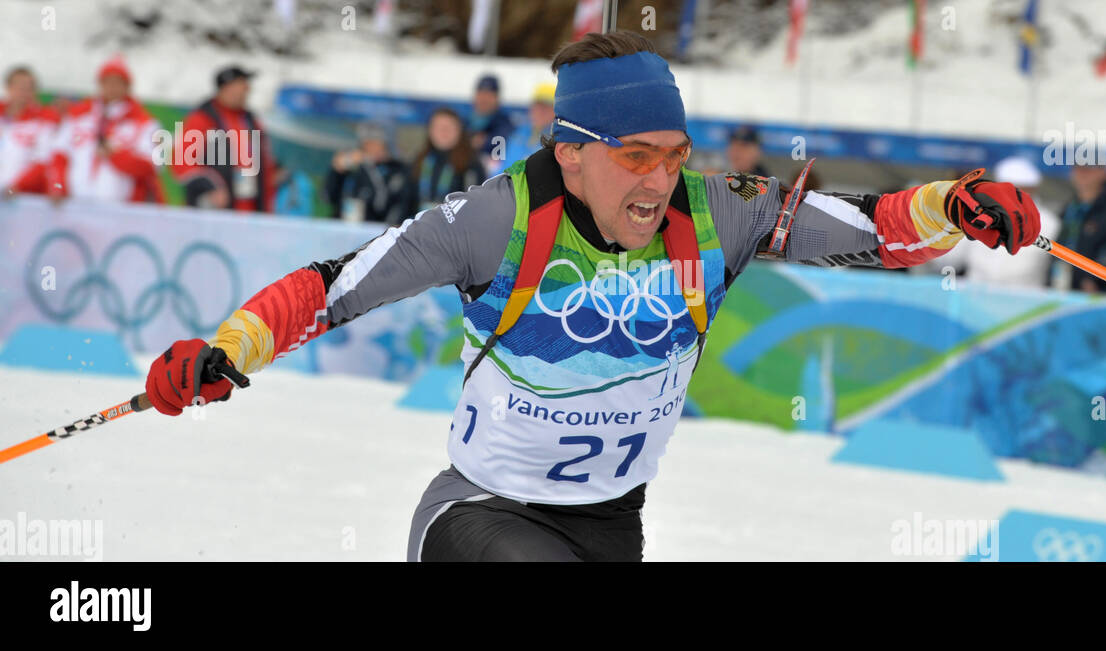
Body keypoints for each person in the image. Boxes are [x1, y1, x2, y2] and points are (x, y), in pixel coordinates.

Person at [142, 32, 1041, 562]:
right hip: (479, 519)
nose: (659, 180)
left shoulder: (716, 213)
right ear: (571, 151)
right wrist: (229, 349)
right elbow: (334, 286)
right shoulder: (492, 224)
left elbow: (876, 227)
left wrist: (958, 205)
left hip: (612, 529)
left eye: (675, 151)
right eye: (634, 155)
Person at [47, 58, 162, 203]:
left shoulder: (144, 123)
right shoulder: (78, 116)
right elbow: (59, 155)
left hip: (121, 212)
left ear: (127, 86)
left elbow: (151, 167)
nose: (112, 88)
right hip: (76, 206)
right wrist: (58, 187)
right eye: (107, 82)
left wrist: (115, 155)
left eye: (117, 82)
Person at [173, 66, 278, 212]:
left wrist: (268, 208)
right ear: (227, 88)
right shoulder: (202, 119)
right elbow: (181, 162)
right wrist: (210, 186)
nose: (247, 90)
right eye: (242, 84)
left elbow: (266, 167)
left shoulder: (251, 121)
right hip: (214, 210)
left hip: (250, 210)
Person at [946, 157, 1060, 288]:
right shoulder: (978, 213)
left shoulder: (1050, 223)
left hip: (1024, 303)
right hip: (975, 299)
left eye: (1022, 189)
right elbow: (950, 258)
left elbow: (1058, 274)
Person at [1049, 164, 1106, 293]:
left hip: (1096, 298)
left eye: (1089, 169)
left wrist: (1096, 280)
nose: (1082, 174)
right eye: (1078, 168)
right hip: (1061, 289)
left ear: (1104, 173)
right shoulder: (1069, 210)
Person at [324, 120, 416, 224]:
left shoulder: (399, 171)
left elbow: (393, 205)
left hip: (378, 230)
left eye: (377, 143)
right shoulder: (354, 166)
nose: (372, 148)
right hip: (346, 227)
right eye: (367, 144)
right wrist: (337, 172)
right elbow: (329, 196)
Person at [0, 66, 59, 197]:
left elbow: (43, 161)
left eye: (29, 88)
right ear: (8, 87)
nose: (24, 92)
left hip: (20, 196)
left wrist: (17, 186)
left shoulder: (43, 121)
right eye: (20, 87)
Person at [412, 107, 487, 210]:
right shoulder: (420, 160)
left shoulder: (471, 165)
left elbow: (474, 207)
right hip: (419, 222)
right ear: (430, 130)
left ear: (459, 131)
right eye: (438, 127)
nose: (444, 132)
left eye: (449, 127)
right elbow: (406, 202)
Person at [466, 73, 515, 174]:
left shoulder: (505, 124)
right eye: (482, 94)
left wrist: (483, 142)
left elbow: (500, 145)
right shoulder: (465, 122)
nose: (484, 99)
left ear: (497, 98)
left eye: (489, 95)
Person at [502, 82, 556, 168]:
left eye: (546, 108)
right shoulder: (519, 134)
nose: (540, 112)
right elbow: (504, 167)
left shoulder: (557, 141)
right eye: (537, 105)